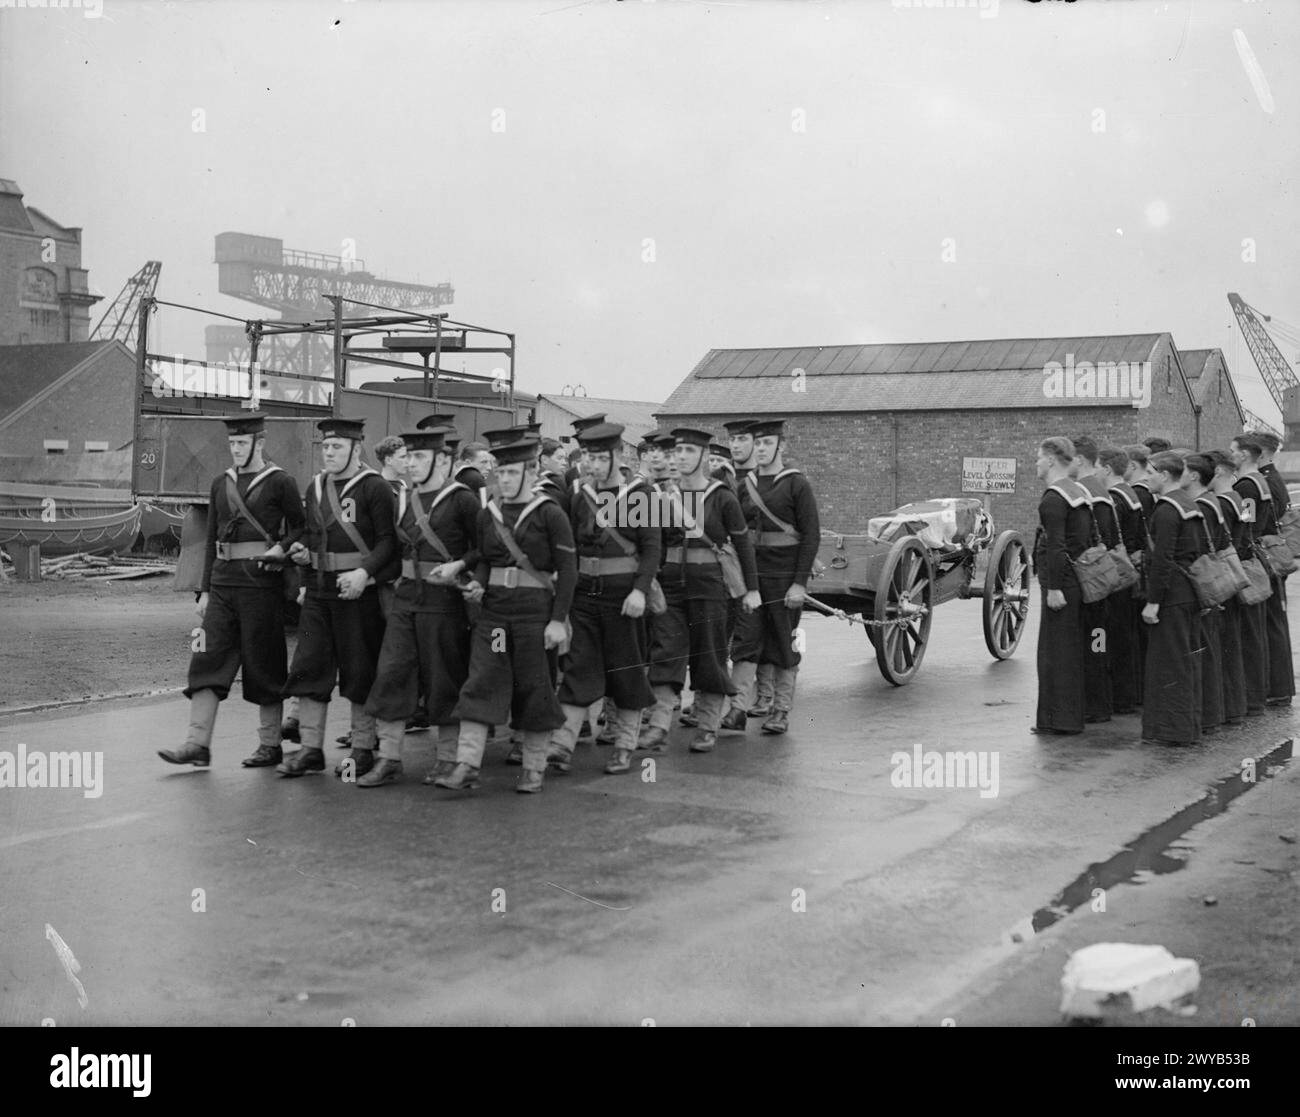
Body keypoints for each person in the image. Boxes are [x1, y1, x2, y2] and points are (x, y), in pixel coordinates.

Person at [160, 414, 306, 769]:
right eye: (232, 444)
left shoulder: (281, 482)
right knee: (207, 659)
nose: (236, 449)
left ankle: (270, 745)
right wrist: (205, 591)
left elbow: (303, 529)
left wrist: (282, 548)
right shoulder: (219, 483)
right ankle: (197, 743)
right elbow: (211, 540)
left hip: (261, 584)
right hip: (223, 585)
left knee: (265, 664)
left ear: (260, 441)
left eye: (242, 443)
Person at [436, 435, 577, 793]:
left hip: (534, 615)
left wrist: (558, 621)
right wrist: (478, 583)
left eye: (513, 472)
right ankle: (467, 765)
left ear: (531, 471)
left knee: (535, 687)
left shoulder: (550, 513)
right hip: (496, 617)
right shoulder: (490, 513)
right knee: (482, 679)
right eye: (501, 473)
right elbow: (484, 556)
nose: (506, 480)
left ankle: (534, 767)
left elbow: (568, 570)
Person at [277, 417, 399, 778]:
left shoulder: (375, 488)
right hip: (318, 589)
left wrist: (365, 573)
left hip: (358, 592)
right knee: (310, 667)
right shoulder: (316, 486)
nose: (329, 453)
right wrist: (301, 561)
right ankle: (311, 749)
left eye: (337, 447)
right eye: (326, 447)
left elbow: (388, 542)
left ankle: (362, 748)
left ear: (356, 449)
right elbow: (313, 536)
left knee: (359, 670)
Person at [359, 427, 480, 787]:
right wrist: (368, 576)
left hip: (444, 601)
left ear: (442, 460)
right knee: (391, 673)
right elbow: (393, 550)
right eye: (409, 457)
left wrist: (460, 566)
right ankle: (389, 758)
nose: (411, 464)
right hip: (407, 596)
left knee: (443, 678)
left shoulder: (462, 499)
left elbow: (483, 547)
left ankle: (447, 759)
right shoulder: (404, 499)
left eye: (420, 457)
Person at [546, 422, 660, 776]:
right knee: (578, 667)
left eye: (599, 458)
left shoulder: (641, 495)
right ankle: (562, 745)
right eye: (589, 458)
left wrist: (640, 591)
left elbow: (653, 549)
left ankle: (625, 746)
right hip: (585, 596)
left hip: (624, 598)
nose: (592, 465)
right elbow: (569, 548)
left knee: (626, 672)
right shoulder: (580, 495)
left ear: (617, 457)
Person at [641, 427, 759, 754]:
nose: (680, 457)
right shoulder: (662, 496)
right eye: (677, 451)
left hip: (710, 586)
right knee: (666, 651)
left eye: (689, 452)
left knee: (709, 656)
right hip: (671, 587)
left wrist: (751, 589)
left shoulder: (722, 496)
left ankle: (707, 726)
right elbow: (653, 544)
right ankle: (659, 725)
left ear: (705, 457)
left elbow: (743, 545)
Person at [729, 418, 820, 735]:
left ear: (781, 446)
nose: (762, 449)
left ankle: (780, 711)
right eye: (759, 443)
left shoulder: (796, 484)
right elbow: (739, 535)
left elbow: (811, 536)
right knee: (746, 640)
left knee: (782, 642)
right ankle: (738, 708)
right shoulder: (746, 485)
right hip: (753, 575)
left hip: (784, 576)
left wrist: (799, 583)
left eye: (768, 443)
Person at [1141, 451, 1207, 746]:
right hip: (1189, 592)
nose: (1147, 478)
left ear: (1165, 475)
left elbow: (1162, 560)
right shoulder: (1188, 503)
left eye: (1150, 473)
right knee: (1184, 663)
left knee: (1169, 665)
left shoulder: (1166, 510)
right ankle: (1184, 727)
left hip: (1171, 596)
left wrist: (1153, 600)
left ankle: (1172, 731)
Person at [1031, 437, 1090, 735]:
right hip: (1076, 579)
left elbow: (1056, 545)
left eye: (1040, 458)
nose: (1037, 463)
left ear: (1052, 459)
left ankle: (1058, 721)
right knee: (1069, 652)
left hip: (1060, 584)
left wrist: (1054, 587)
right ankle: (1065, 717)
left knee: (1055, 654)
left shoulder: (1054, 498)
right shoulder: (1079, 491)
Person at [1231, 433, 1294, 707]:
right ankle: (1276, 687)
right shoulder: (1267, 480)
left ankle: (1273, 688)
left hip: (1260, 557)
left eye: (1233, 450)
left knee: (1267, 627)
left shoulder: (1255, 483)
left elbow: (1249, 524)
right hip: (1269, 556)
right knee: (1271, 627)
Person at [725, 418, 776, 719]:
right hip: (726, 564)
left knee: (759, 630)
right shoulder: (721, 478)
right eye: (733, 440)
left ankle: (762, 696)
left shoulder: (767, 479)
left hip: (762, 564)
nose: (736, 445)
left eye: (743, 439)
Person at [1071, 435, 1117, 724]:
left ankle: (1095, 705)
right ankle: (1099, 702)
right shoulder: (1102, 490)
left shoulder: (1085, 491)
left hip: (1091, 577)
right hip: (1102, 576)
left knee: (1093, 643)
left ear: (1079, 460)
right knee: (1097, 642)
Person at [1208, 448, 1254, 722]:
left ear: (1217, 472)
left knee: (1224, 644)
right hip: (1237, 572)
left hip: (1224, 576)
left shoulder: (1222, 503)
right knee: (1233, 644)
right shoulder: (1239, 498)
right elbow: (1245, 534)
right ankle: (1237, 705)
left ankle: (1229, 709)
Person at [1183, 453, 1228, 735]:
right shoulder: (1214, 500)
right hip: (1213, 576)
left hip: (1203, 580)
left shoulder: (1201, 504)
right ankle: (1213, 714)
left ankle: (1209, 716)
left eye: (1185, 470)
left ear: (1195, 475)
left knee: (1204, 650)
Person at [1098, 446, 1144, 715]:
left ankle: (1117, 697)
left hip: (1117, 571)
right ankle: (1127, 695)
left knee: (1109, 637)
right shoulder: (1131, 493)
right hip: (1131, 569)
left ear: (1106, 469)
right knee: (1125, 636)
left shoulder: (1114, 498)